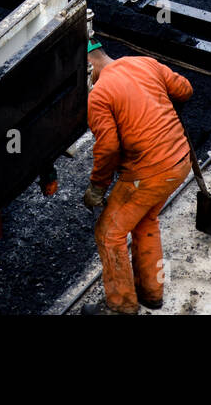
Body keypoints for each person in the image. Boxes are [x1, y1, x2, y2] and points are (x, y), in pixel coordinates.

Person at [81, 40, 194, 315]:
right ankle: (151, 294)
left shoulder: (99, 95)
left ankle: (120, 307)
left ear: (87, 66)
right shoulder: (144, 63)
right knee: (145, 221)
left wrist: (97, 187)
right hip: (180, 161)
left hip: (148, 175)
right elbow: (185, 89)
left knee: (109, 233)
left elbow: (107, 148)